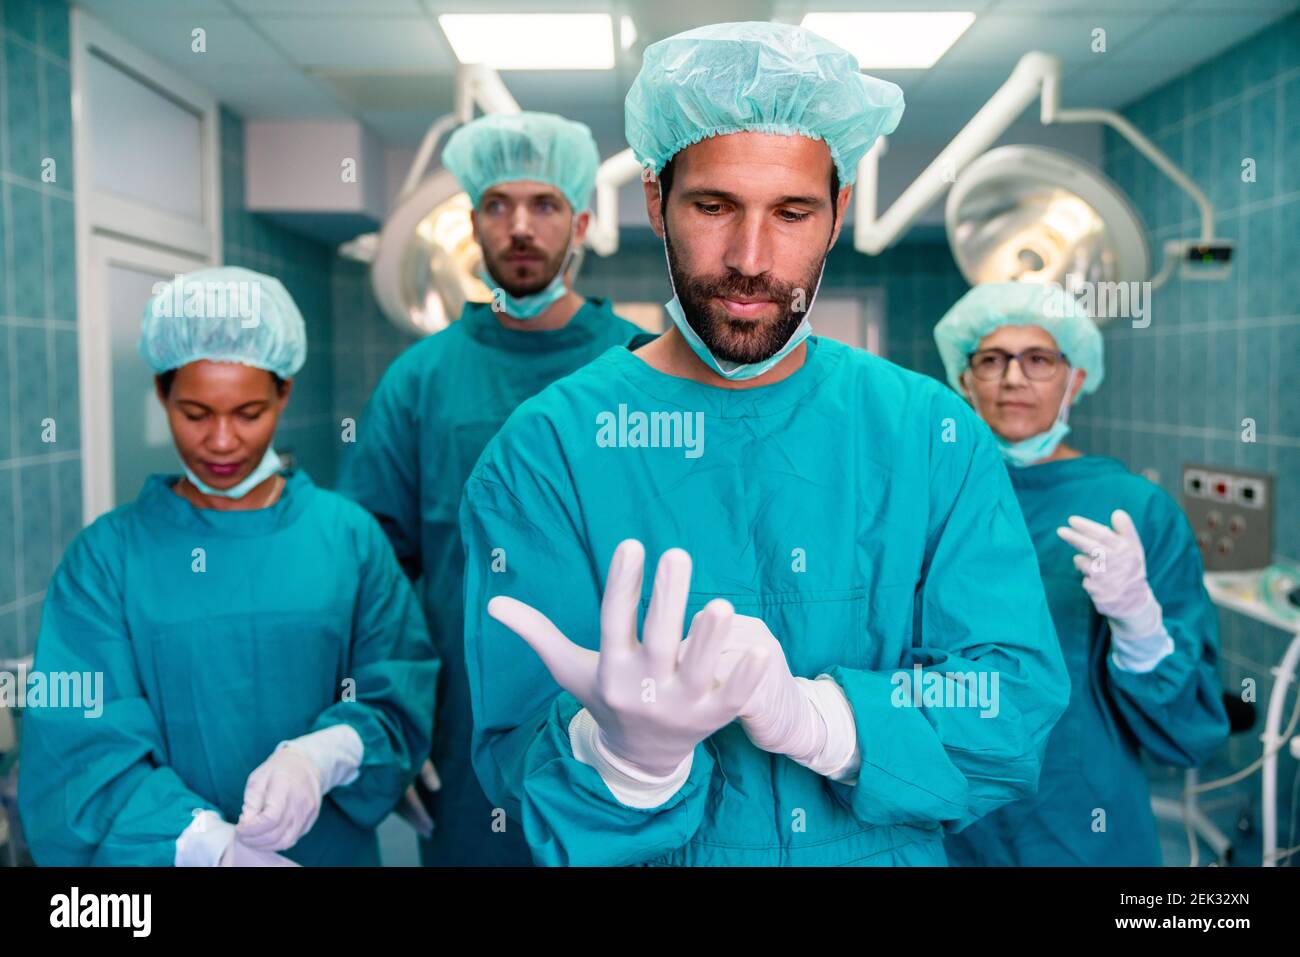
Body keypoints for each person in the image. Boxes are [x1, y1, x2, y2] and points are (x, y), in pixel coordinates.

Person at [459, 22, 1070, 867]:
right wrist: (628, 761)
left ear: (838, 212)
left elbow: (1013, 698)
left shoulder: (927, 433)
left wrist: (826, 721)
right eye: (714, 206)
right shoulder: (548, 452)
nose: (750, 260)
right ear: (653, 202)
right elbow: (515, 755)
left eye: (791, 212)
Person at [18, 267, 439, 866]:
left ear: (284, 394)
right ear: (162, 394)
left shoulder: (348, 539)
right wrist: (205, 847)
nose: (221, 441)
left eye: (248, 413)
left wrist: (327, 754)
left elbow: (397, 693)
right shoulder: (106, 560)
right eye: (195, 413)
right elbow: (79, 747)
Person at [337, 112, 642, 866]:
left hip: (624, 722)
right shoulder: (422, 379)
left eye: (543, 206)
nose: (520, 227)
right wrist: (389, 730)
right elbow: (372, 578)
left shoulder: (642, 369)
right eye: (498, 206)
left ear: (581, 222)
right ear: (471, 221)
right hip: (462, 724)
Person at [933, 281, 1229, 865]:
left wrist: (1141, 630)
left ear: (1076, 379)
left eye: (1039, 359)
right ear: (964, 379)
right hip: (946, 813)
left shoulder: (1135, 509)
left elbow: (1194, 728)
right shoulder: (933, 496)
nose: (1013, 378)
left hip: (1080, 822)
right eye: (991, 359)